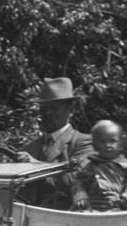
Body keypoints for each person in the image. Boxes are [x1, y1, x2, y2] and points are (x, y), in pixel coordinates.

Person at [14, 77, 94, 208]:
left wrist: (35, 167)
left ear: (71, 110)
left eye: (54, 108)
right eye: (43, 109)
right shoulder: (30, 148)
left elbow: (78, 179)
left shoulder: (84, 142)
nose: (47, 114)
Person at [71, 120, 127, 211]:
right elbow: (79, 182)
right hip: (92, 205)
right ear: (95, 145)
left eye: (112, 141)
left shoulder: (126, 166)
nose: (108, 145)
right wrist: (81, 196)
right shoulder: (90, 166)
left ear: (121, 144)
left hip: (116, 205)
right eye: (102, 142)